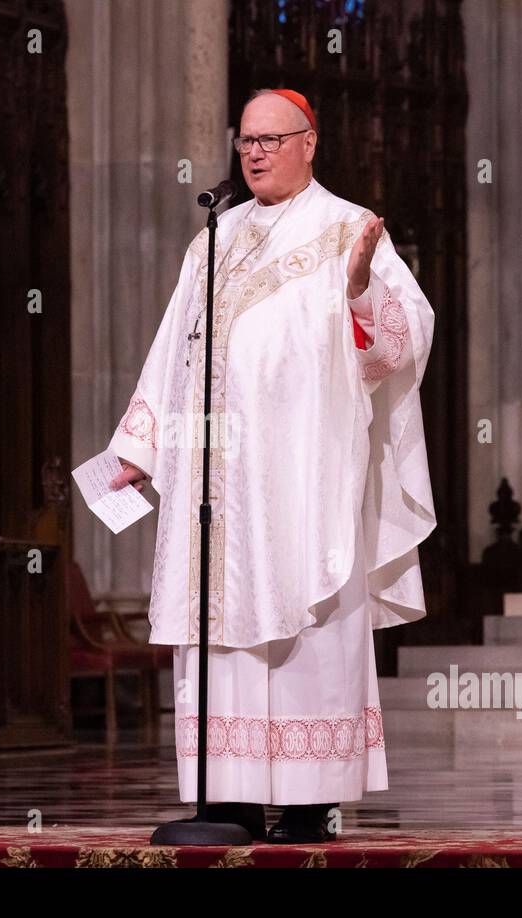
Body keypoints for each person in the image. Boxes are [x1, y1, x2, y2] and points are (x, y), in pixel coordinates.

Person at [107, 88, 437, 843]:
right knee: (219, 621)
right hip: (216, 478)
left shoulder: (349, 228)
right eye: (246, 140)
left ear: (309, 142)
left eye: (271, 139)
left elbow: (407, 337)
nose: (254, 152)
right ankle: (228, 797)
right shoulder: (212, 242)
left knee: (305, 617)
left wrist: (360, 294)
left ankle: (308, 797)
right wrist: (138, 447)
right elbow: (172, 352)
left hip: (303, 471)